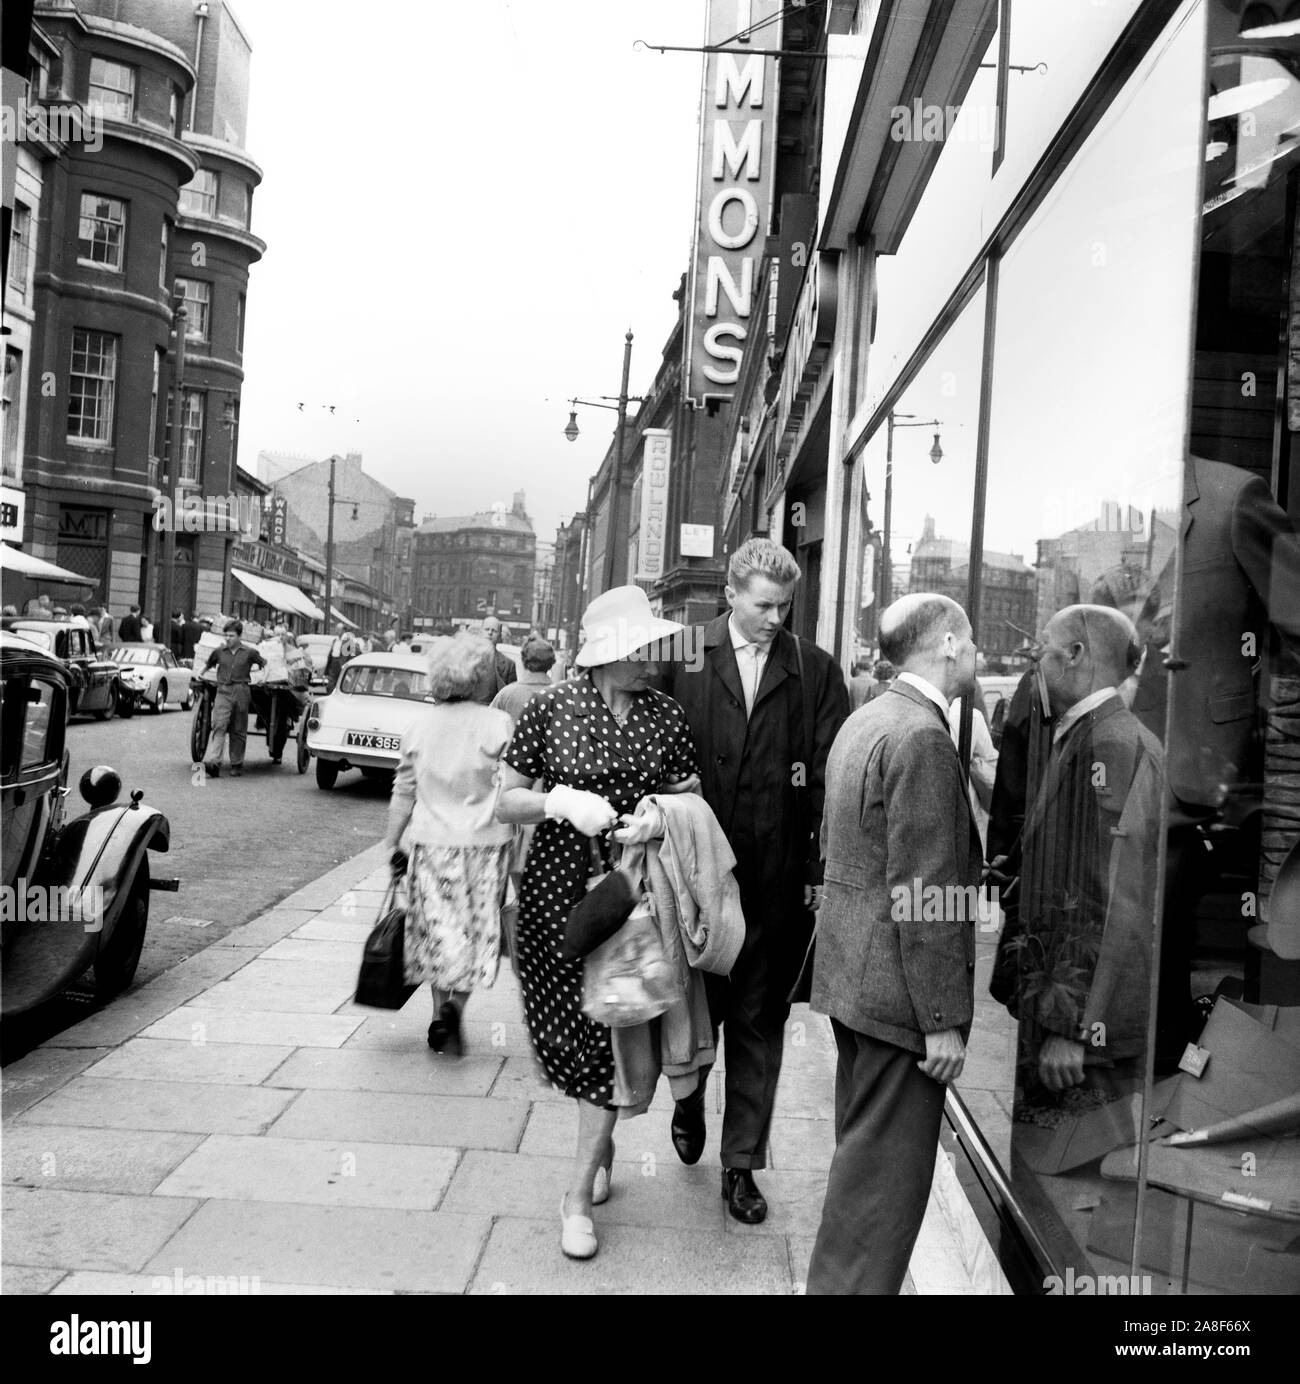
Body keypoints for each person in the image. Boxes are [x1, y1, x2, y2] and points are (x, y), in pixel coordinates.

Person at [496, 585, 701, 1260]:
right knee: (572, 1042)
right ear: (604, 652)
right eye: (638, 648)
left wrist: (656, 815)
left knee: (606, 1039)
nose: (649, 658)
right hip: (558, 899)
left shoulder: (664, 715)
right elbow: (507, 802)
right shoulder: (550, 708)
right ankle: (601, 1141)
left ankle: (576, 1195)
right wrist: (558, 800)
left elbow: (688, 793)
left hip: (630, 895)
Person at [654, 537, 848, 1224]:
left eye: (784, 606)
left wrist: (822, 872)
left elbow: (829, 776)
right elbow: (644, 747)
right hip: (695, 879)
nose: (775, 618)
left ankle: (741, 1165)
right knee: (693, 1005)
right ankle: (686, 1097)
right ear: (730, 595)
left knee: (759, 1024)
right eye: (764, 604)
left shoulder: (814, 670)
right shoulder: (679, 655)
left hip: (774, 884)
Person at [806, 593, 982, 1295]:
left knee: (862, 1165)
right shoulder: (923, 737)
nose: (974, 655)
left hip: (854, 977)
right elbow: (927, 891)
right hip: (898, 1001)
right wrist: (942, 1021)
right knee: (883, 1191)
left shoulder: (869, 718)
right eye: (968, 643)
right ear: (944, 643)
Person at [999, 605, 1162, 1101]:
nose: (1036, 668)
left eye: (1042, 654)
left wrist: (1070, 1026)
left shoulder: (1108, 744)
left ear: (1074, 656)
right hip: (1064, 1008)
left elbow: (1109, 896)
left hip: (1078, 1028)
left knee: (1068, 1165)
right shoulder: (1094, 734)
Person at [382, 633, 515, 1056]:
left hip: (431, 844)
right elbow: (511, 791)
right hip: (486, 846)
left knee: (439, 933)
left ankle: (441, 1013)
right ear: (479, 677)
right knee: (476, 933)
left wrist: (392, 843)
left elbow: (403, 790)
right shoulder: (497, 725)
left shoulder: (420, 725)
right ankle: (457, 1005)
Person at [201, 620, 266, 778]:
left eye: (231, 635)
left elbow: (264, 664)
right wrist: (200, 674)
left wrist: (263, 677)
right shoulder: (219, 652)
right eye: (226, 635)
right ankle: (215, 763)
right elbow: (208, 665)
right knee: (219, 725)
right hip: (223, 691)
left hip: (241, 691)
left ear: (239, 636)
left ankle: (236, 764)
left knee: (238, 729)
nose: (228, 638)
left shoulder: (250, 652)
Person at [490, 634, 555, 723]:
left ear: (524, 661)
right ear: (551, 663)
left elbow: (488, 725)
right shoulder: (562, 695)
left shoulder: (507, 694)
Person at [478, 615, 517, 701]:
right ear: (480, 632)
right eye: (487, 629)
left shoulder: (509, 665)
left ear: (499, 636)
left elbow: (510, 697)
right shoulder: (468, 659)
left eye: (494, 631)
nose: (490, 633)